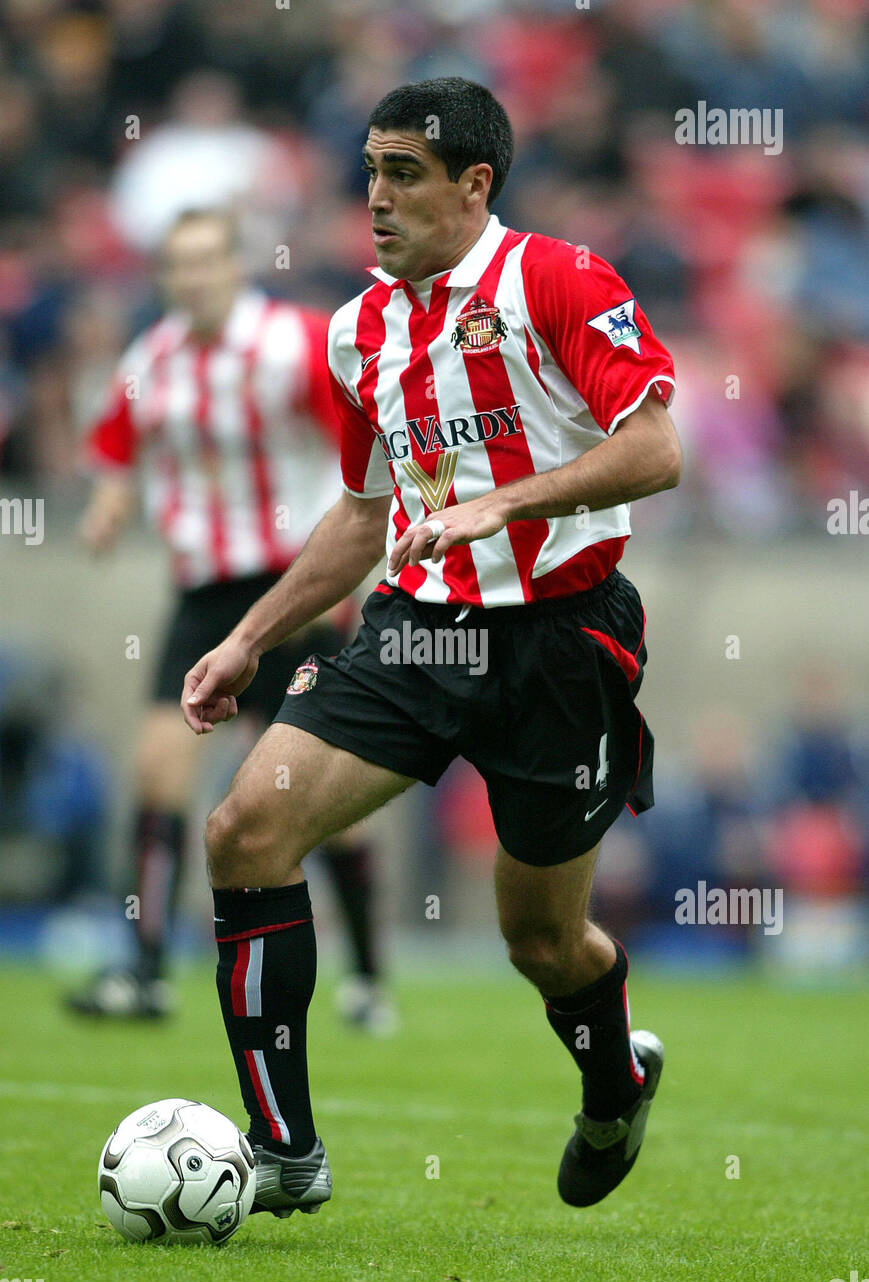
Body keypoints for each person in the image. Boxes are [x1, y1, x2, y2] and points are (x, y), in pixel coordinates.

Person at [182, 78, 681, 1217]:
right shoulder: (355, 329)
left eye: (402, 173)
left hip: (563, 641)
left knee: (543, 944)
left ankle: (613, 1084)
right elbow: (364, 514)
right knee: (246, 827)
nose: (375, 198)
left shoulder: (556, 280)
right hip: (415, 629)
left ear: (473, 184)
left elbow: (654, 450)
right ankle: (283, 1152)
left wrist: (506, 504)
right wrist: (248, 637)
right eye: (368, 172)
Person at [67, 206, 393, 1031]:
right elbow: (117, 448)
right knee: (156, 773)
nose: (194, 278)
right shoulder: (152, 360)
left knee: (318, 802)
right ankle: (142, 970)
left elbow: (362, 452)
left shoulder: (294, 342)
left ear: (236, 265)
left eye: (208, 261)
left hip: (293, 588)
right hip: (204, 594)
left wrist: (348, 574)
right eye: (179, 265)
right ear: (164, 276)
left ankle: (366, 976)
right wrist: (108, 509)